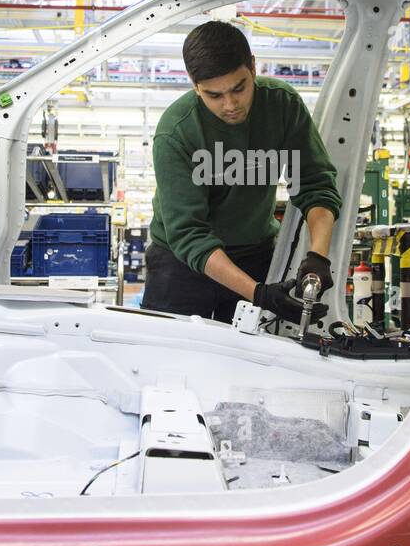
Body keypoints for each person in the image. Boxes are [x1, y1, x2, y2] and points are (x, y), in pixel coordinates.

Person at [141, 20, 342, 325]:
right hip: (179, 265)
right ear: (194, 85)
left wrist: (318, 257)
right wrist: (259, 294)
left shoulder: (282, 106)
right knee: (170, 362)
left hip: (252, 254)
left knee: (248, 364)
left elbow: (315, 185)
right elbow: (188, 234)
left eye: (239, 88)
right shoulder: (176, 132)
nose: (231, 104)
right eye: (214, 95)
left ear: (253, 66)